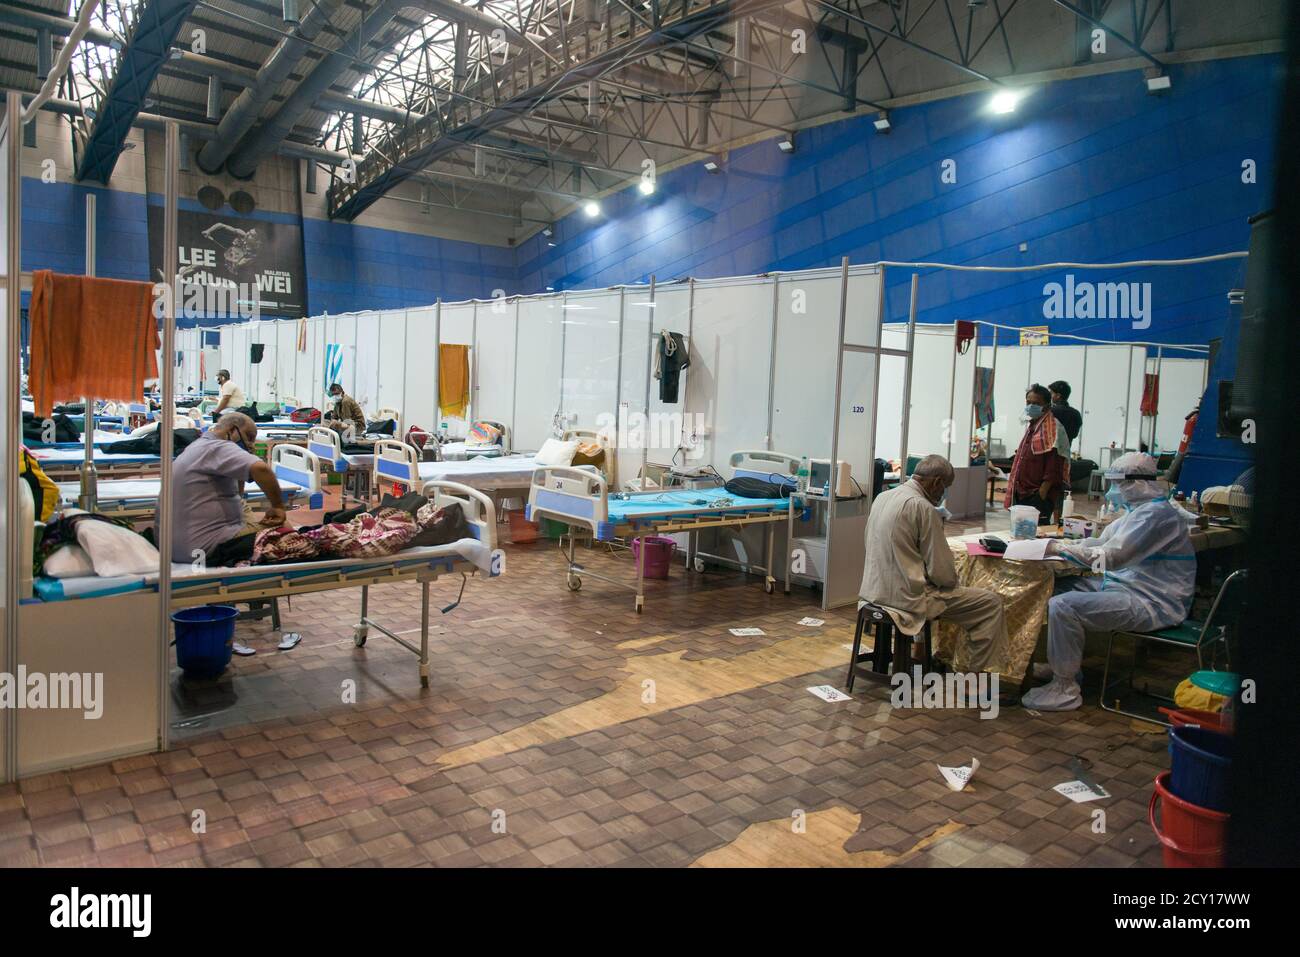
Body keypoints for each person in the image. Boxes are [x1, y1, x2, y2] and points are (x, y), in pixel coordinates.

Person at [1022, 452, 1195, 711]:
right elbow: (1102, 542)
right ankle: (1065, 666)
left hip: (1151, 601)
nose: (1113, 490)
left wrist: (1059, 549)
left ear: (1137, 483)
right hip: (1121, 586)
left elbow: (1112, 558)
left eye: (1118, 484)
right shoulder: (1137, 513)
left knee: (1064, 606)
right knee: (1052, 589)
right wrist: (1069, 544)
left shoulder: (1157, 515)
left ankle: (1065, 688)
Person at [860, 454, 1008, 674]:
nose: (943, 494)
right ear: (937, 482)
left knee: (930, 588)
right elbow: (943, 573)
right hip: (906, 600)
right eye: (945, 487)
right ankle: (976, 677)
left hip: (873, 592)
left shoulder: (883, 497)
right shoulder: (923, 508)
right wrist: (945, 580)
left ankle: (923, 654)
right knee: (990, 603)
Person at [170, 412, 286, 568]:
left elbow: (238, 492)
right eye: (249, 437)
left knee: (243, 505)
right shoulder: (218, 447)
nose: (251, 444)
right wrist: (278, 506)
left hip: (176, 542)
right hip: (202, 548)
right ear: (232, 430)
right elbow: (261, 469)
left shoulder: (199, 444)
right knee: (285, 528)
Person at [1004, 383, 1071, 525]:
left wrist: (1041, 495)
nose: (1030, 406)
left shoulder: (1053, 430)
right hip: (1022, 492)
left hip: (1038, 495)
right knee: (1020, 534)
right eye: (1028, 402)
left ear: (1046, 405)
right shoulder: (1033, 426)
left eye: (1036, 403)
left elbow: (1054, 467)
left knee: (1034, 535)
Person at [1048, 380, 1082, 446]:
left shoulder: (1050, 412)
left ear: (1058, 395)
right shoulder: (1076, 413)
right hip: (1065, 452)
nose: (1049, 396)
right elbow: (1074, 435)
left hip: (1050, 451)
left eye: (1051, 393)